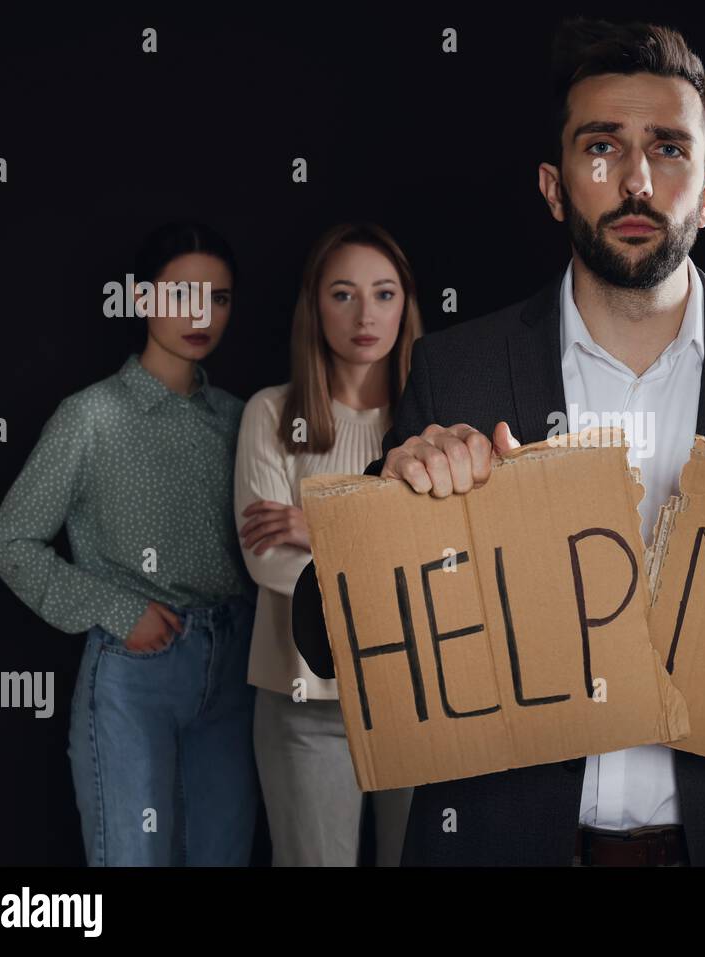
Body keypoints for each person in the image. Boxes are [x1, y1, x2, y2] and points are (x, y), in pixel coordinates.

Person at [292, 17, 705, 866]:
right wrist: (394, 511)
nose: (638, 181)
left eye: (670, 149)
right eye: (603, 148)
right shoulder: (457, 371)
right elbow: (323, 630)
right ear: (553, 185)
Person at [0, 222, 259, 866]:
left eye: (218, 297)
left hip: (236, 678)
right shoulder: (90, 416)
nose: (202, 314)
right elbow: (11, 542)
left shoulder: (243, 417)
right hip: (136, 679)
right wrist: (117, 610)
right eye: (182, 294)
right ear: (140, 300)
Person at [235, 223, 420, 865]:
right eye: (342, 294)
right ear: (315, 307)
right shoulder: (271, 413)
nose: (365, 315)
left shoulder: (433, 421)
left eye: (384, 293)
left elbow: (449, 564)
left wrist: (318, 527)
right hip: (303, 695)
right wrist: (388, 539)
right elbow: (268, 561)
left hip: (418, 693)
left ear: (406, 305)